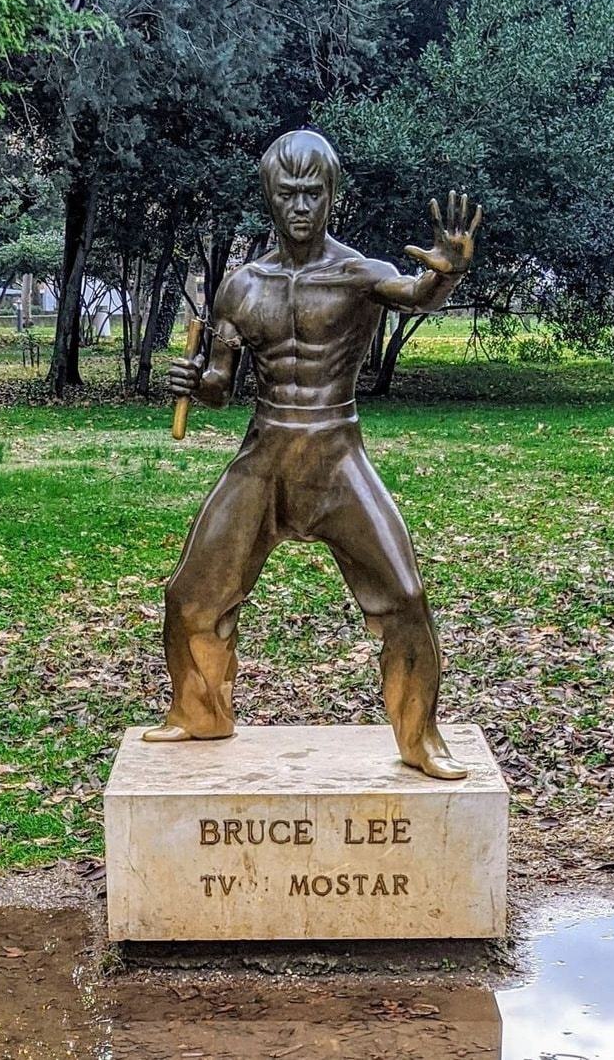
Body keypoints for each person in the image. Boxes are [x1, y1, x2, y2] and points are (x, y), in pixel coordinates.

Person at [145, 129, 483, 780]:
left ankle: (420, 737)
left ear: (332, 197)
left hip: (335, 454)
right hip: (265, 453)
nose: (300, 205)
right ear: (270, 197)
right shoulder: (242, 286)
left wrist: (449, 271)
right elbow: (218, 384)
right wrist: (196, 384)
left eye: (313, 192)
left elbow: (418, 293)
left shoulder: (361, 274)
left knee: (405, 596)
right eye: (288, 192)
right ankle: (200, 710)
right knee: (191, 593)